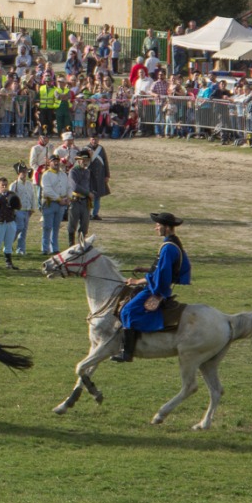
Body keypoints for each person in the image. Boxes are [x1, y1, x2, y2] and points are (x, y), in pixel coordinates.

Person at [112, 211, 192, 362]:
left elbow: (161, 276)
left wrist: (137, 281)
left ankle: (126, 352)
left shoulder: (168, 248)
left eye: (158, 225)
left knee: (127, 310)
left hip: (157, 288)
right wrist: (146, 270)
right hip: (156, 284)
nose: (155, 228)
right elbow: (161, 269)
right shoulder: (172, 243)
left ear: (166, 227)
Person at [38, 155, 70, 255]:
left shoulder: (63, 175)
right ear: (50, 163)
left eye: (57, 161)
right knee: (47, 227)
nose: (56, 163)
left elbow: (68, 187)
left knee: (56, 227)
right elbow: (47, 190)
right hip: (50, 203)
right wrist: (59, 199)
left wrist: (68, 198)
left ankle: (54, 248)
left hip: (61, 204)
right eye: (54, 161)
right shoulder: (46, 175)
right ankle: (45, 248)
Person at [67, 149, 94, 246]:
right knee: (72, 225)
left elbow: (88, 185)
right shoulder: (73, 171)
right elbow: (75, 187)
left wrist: (91, 193)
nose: (85, 162)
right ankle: (71, 245)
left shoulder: (87, 172)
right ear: (78, 160)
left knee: (84, 225)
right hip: (75, 201)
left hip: (85, 202)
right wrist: (88, 193)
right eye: (83, 160)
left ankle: (81, 245)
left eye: (86, 160)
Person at [11, 161, 38, 256]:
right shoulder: (14, 185)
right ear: (18, 173)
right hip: (18, 211)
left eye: (25, 172)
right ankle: (9, 242)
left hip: (27, 210)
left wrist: (32, 208)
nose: (24, 174)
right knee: (19, 227)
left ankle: (21, 249)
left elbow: (32, 196)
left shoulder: (29, 184)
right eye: (22, 172)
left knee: (24, 231)